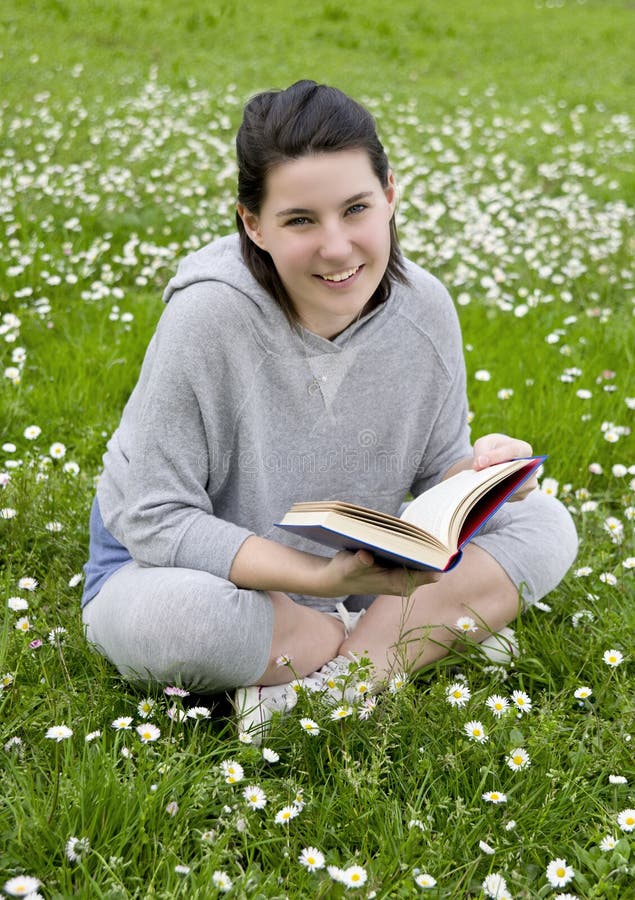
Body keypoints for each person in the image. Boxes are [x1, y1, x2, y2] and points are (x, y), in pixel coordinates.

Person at [81, 80, 578, 739]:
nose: (337, 247)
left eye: (355, 209)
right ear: (252, 224)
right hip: (189, 575)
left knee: (544, 524)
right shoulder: (207, 315)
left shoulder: (424, 310)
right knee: (179, 625)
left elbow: (434, 475)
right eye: (299, 220)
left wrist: (481, 475)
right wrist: (317, 579)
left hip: (350, 570)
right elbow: (153, 517)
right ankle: (391, 642)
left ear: (390, 194)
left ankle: (327, 683)